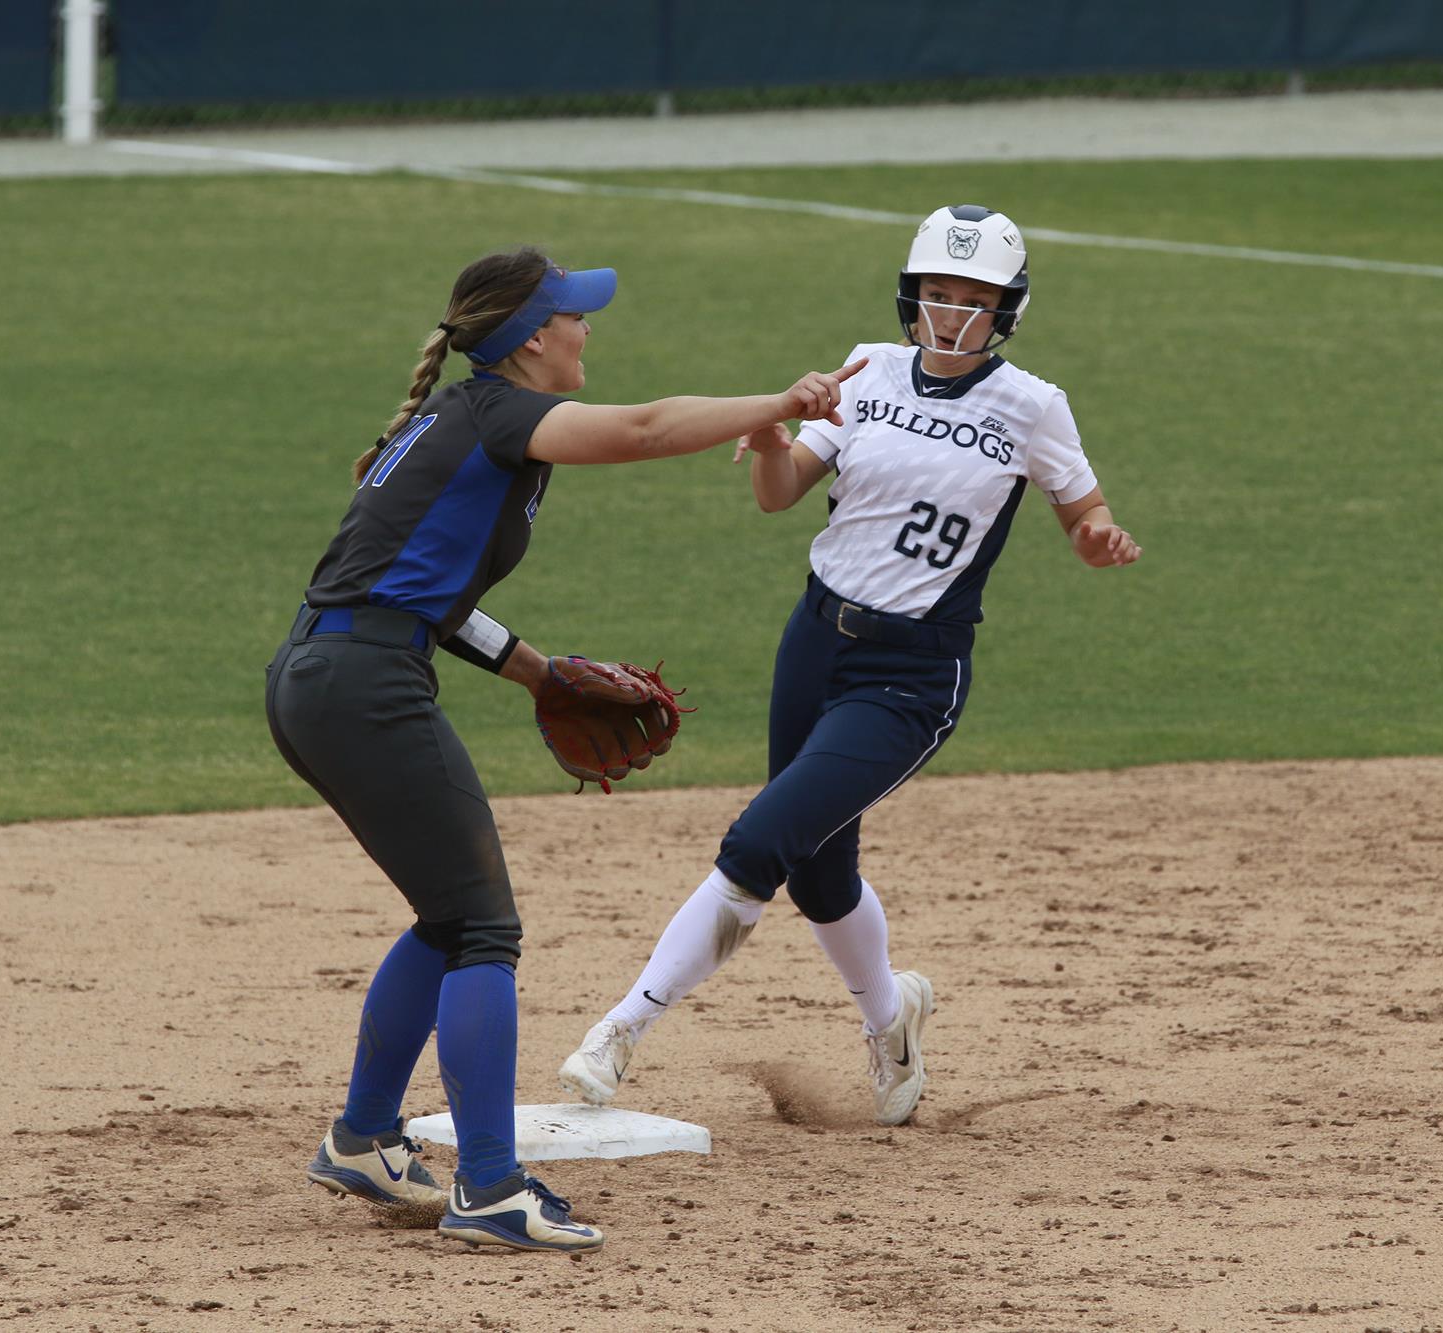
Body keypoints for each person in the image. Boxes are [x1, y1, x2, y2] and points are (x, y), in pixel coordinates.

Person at [266, 245, 861, 1252]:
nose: (589, 328)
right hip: (361, 688)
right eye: (575, 316)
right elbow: (642, 426)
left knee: (448, 916)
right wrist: (776, 401)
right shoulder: (499, 413)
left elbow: (422, 599)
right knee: (484, 929)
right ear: (531, 339)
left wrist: (540, 672)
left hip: (326, 676)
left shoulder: (454, 420)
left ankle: (365, 1136)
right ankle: (490, 1187)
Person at [558, 205, 1141, 1126]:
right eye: (938, 294)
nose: (952, 315)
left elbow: (1083, 515)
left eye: (975, 300)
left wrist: (1100, 539)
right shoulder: (866, 370)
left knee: (758, 843)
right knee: (820, 875)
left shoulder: (1032, 404)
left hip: (911, 677)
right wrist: (767, 435)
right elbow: (779, 493)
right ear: (911, 297)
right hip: (815, 641)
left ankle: (620, 1033)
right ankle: (891, 1016)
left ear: (1009, 310)